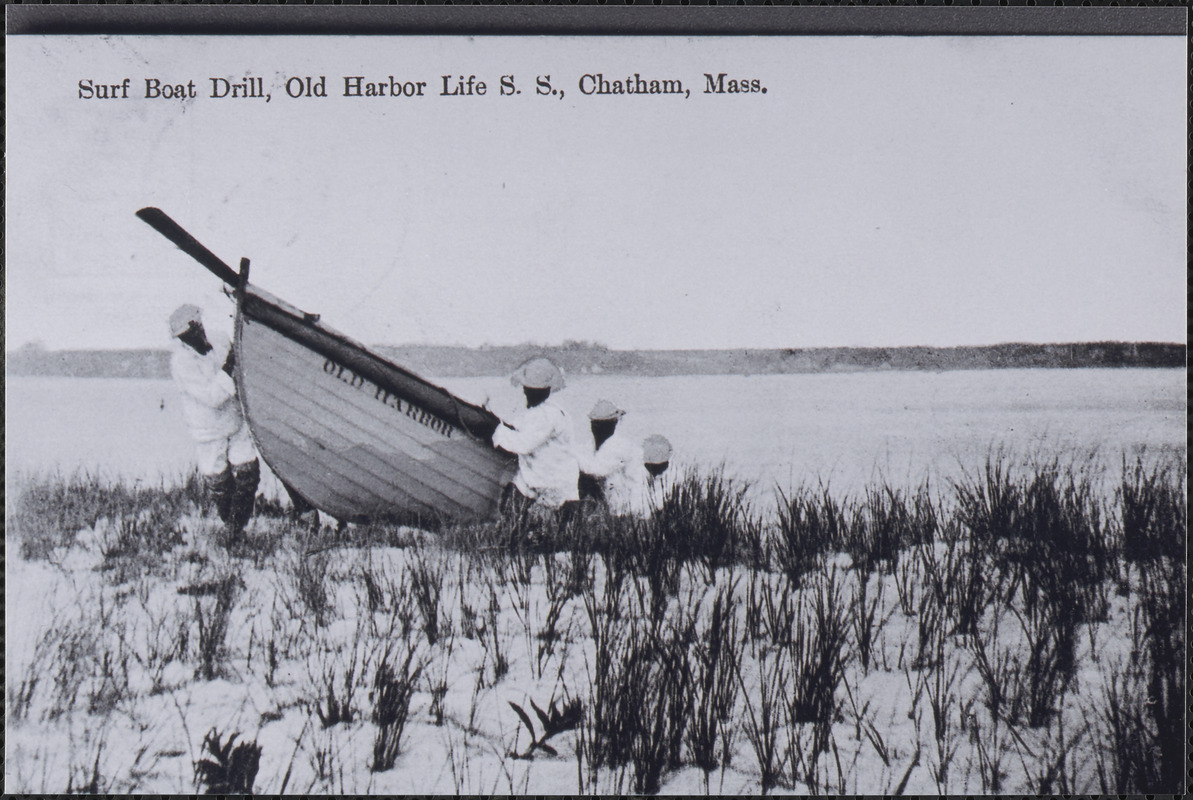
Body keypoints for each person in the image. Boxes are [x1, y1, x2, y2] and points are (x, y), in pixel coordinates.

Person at [168, 304, 259, 544]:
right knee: (220, 484)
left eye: (194, 329)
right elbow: (212, 397)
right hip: (207, 430)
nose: (192, 337)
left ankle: (237, 526)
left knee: (248, 474)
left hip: (235, 419)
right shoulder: (181, 362)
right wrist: (229, 368)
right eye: (184, 336)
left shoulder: (219, 340)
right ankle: (230, 528)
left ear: (199, 325)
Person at [490, 357, 580, 525]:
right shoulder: (542, 412)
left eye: (529, 389)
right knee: (511, 504)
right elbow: (519, 429)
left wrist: (497, 432)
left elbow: (523, 444)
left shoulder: (547, 415)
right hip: (539, 481)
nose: (526, 392)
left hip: (554, 485)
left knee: (533, 524)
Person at [576, 399, 647, 515]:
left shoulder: (621, 447)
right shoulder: (590, 446)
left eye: (602, 424)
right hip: (608, 502)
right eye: (594, 423)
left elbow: (597, 470)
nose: (596, 428)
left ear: (613, 424)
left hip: (626, 508)